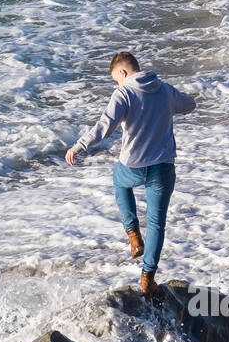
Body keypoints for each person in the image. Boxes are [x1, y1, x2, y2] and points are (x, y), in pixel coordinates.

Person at [66, 51, 197, 296]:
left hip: (133, 166)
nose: (117, 83)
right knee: (157, 223)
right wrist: (166, 108)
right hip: (163, 169)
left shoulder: (124, 93)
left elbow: (104, 127)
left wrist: (78, 146)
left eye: (117, 79)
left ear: (124, 73)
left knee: (119, 182)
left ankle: (133, 233)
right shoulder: (165, 90)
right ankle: (147, 279)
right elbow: (190, 105)